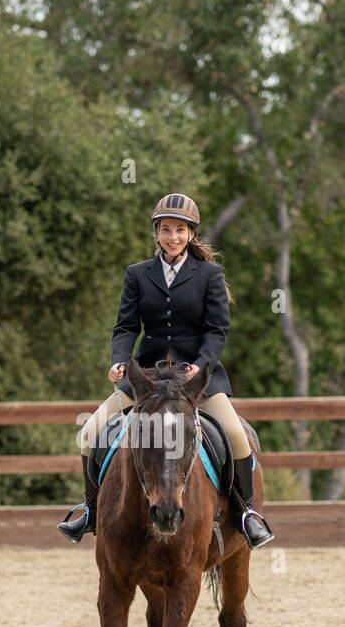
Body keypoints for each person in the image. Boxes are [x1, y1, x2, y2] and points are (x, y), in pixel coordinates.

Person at [57, 192, 275, 548]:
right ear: (156, 233)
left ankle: (246, 513)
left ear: (191, 234)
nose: (172, 237)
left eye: (180, 230)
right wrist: (119, 359)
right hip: (147, 379)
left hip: (196, 380)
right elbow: (126, 326)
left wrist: (200, 366)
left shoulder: (209, 274)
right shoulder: (138, 274)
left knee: (237, 437)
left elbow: (217, 329)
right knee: (90, 431)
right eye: (166, 230)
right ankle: (90, 509)